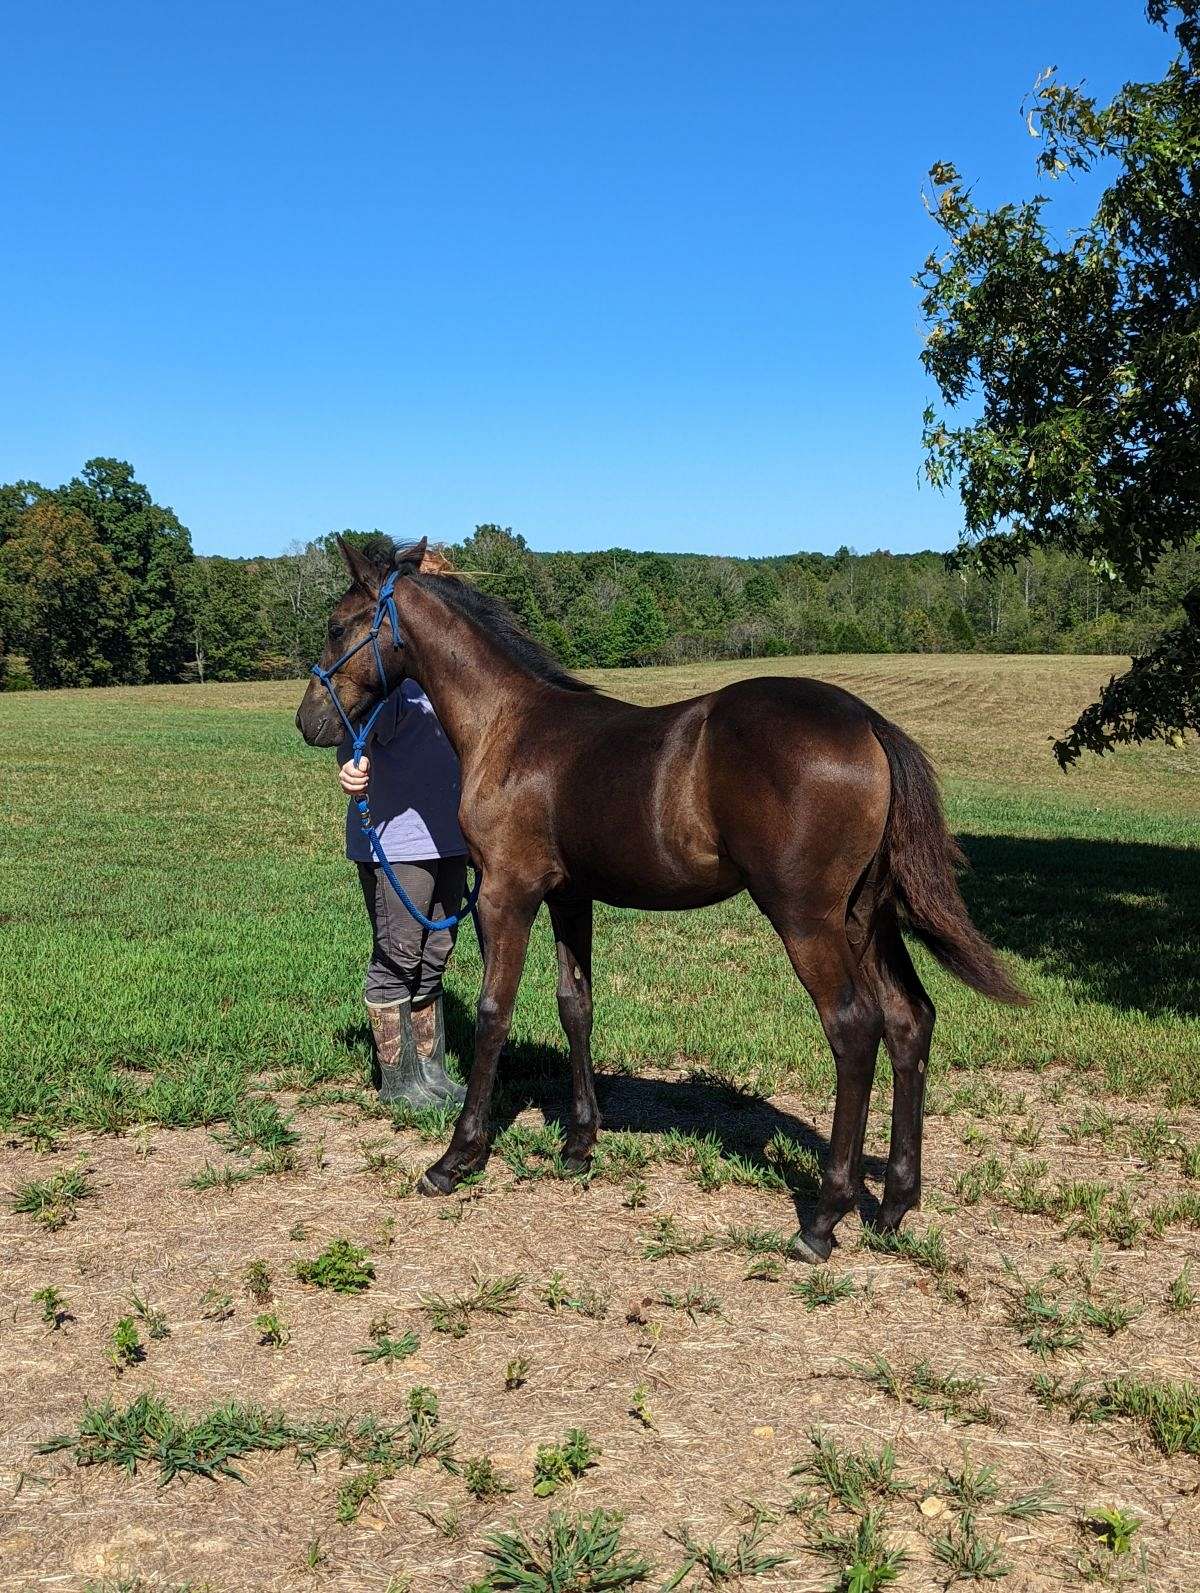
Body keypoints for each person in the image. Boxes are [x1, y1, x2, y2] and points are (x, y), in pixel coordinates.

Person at [337, 553, 468, 1108]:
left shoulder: (457, 681)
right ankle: (398, 1083)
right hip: (399, 843)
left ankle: (431, 1072)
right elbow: (351, 740)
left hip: (453, 838)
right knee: (399, 955)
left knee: (436, 952)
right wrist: (351, 771)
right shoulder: (387, 681)